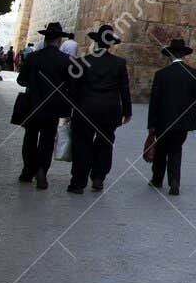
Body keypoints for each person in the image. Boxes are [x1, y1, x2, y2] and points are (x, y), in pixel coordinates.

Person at [66, 24, 131, 194]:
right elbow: (124, 89)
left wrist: (70, 111)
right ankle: (98, 178)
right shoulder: (119, 64)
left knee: (82, 144)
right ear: (110, 44)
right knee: (105, 143)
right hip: (109, 110)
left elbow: (73, 90)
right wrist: (127, 111)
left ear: (96, 43)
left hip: (85, 109)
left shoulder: (82, 62)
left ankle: (78, 182)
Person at [16, 22, 73, 189]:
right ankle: (42, 171)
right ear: (59, 40)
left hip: (32, 105)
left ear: (45, 38)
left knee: (30, 138)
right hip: (52, 108)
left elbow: (21, 80)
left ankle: (27, 171)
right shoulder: (66, 61)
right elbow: (70, 86)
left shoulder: (33, 58)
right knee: (47, 140)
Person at [147, 37, 196, 195]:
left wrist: (151, 123)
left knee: (161, 151)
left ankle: (157, 179)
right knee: (176, 150)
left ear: (170, 54)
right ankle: (174, 182)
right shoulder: (192, 73)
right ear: (184, 55)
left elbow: (154, 101)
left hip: (163, 122)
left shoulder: (161, 74)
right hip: (182, 122)